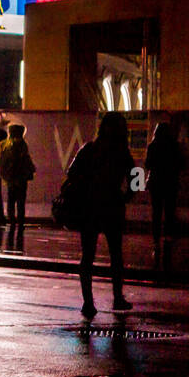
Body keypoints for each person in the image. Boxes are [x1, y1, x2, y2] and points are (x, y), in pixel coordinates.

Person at [67, 111, 134, 317]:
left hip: (90, 206)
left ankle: (88, 303)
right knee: (116, 255)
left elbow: (71, 173)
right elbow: (136, 176)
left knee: (87, 256)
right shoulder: (122, 152)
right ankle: (117, 298)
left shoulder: (90, 149)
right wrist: (127, 196)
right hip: (113, 206)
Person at [145, 121, 187, 275]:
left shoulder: (153, 146)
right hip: (171, 183)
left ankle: (156, 243)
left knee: (156, 213)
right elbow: (182, 164)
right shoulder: (175, 146)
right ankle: (168, 240)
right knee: (169, 213)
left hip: (156, 183)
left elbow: (148, 164)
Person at [0, 121, 36, 231]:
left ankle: (11, 220)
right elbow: (27, 160)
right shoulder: (23, 144)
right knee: (21, 200)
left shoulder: (3, 145)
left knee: (11, 199)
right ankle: (20, 221)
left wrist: (2, 173)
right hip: (21, 176)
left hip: (10, 176)